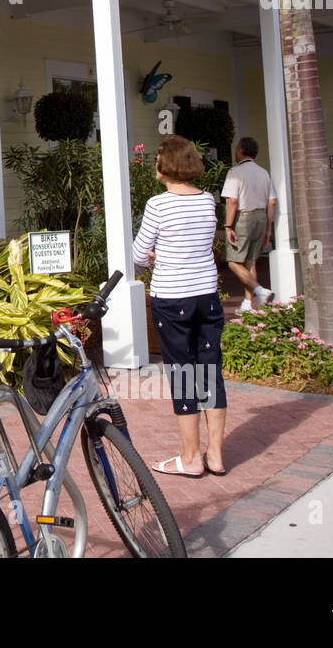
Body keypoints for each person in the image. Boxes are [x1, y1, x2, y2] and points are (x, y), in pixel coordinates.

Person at [133, 135, 227, 478]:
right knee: (210, 370)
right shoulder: (207, 200)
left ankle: (190, 458)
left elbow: (138, 254)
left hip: (173, 298)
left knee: (184, 375)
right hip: (207, 297)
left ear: (166, 165)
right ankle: (214, 455)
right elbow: (202, 244)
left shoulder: (158, 205)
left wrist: (157, 257)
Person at [221, 137, 277, 315]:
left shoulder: (235, 172)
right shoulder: (263, 172)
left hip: (243, 217)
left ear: (241, 151)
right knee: (250, 261)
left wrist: (228, 226)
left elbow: (232, 200)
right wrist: (268, 228)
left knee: (233, 262)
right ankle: (247, 303)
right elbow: (272, 202)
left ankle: (260, 291)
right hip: (261, 216)